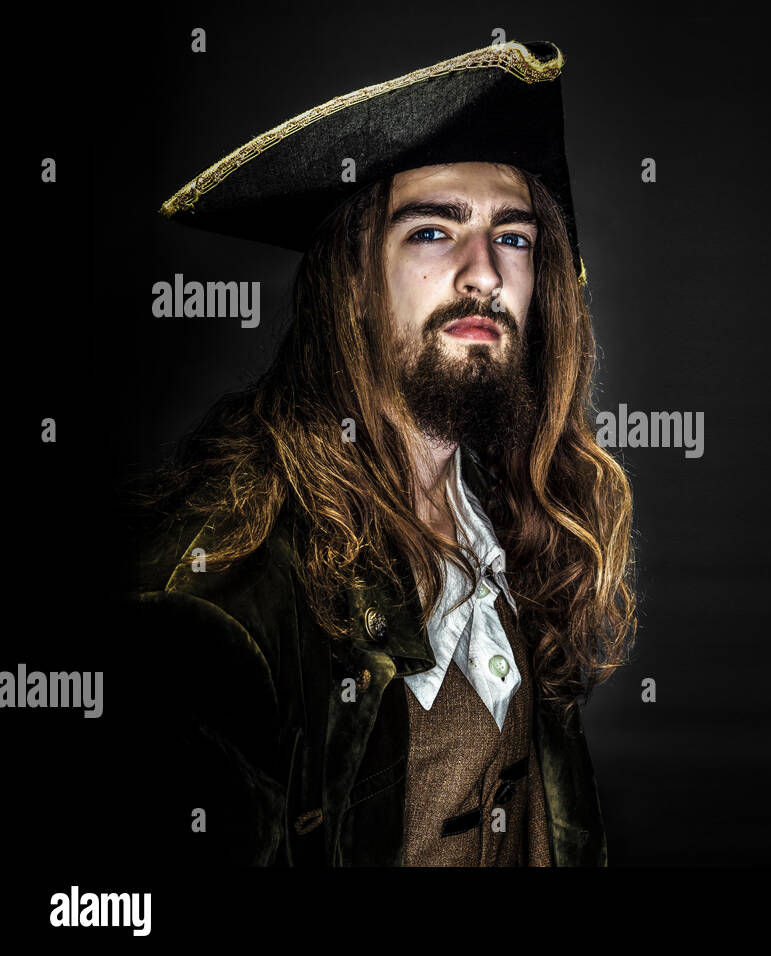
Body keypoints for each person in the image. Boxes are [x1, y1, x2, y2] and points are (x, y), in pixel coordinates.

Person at [128, 39, 637, 866]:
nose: (483, 275)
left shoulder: (520, 520)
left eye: (514, 238)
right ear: (352, 280)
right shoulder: (221, 601)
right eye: (434, 231)